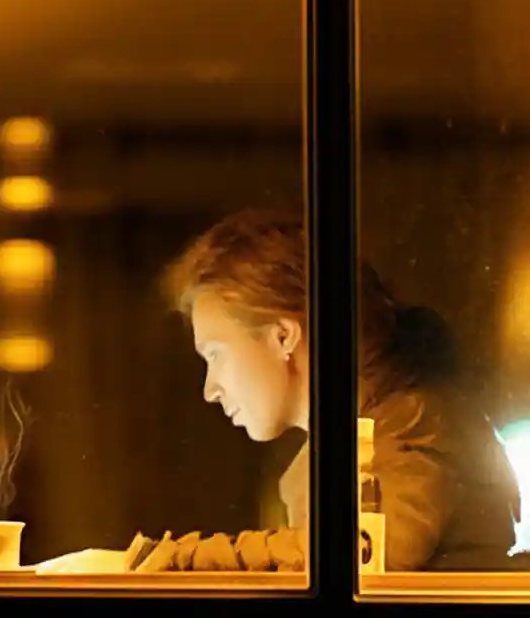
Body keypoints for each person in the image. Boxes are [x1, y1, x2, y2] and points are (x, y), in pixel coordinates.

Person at [39, 209, 521, 573]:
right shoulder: (360, 441)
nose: (211, 389)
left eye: (215, 354)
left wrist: (155, 561)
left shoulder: (414, 422)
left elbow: (362, 557)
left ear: (284, 336)